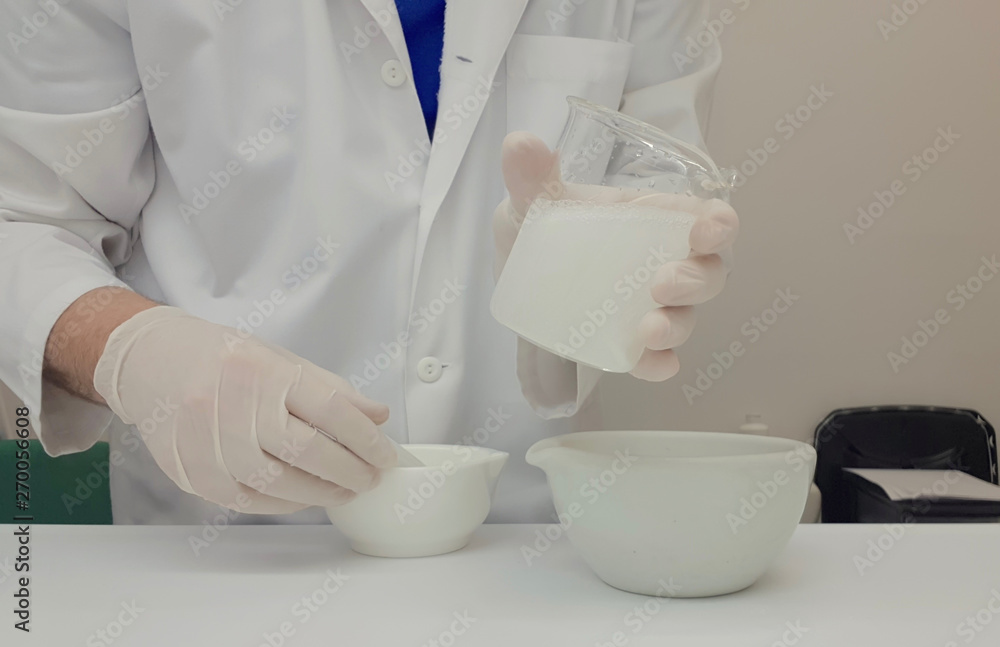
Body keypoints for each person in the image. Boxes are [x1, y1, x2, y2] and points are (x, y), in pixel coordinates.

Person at [0, 0, 737, 524]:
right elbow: (24, 217)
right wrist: (131, 350)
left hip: (522, 550)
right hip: (220, 560)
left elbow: (659, 182)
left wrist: (590, 277)